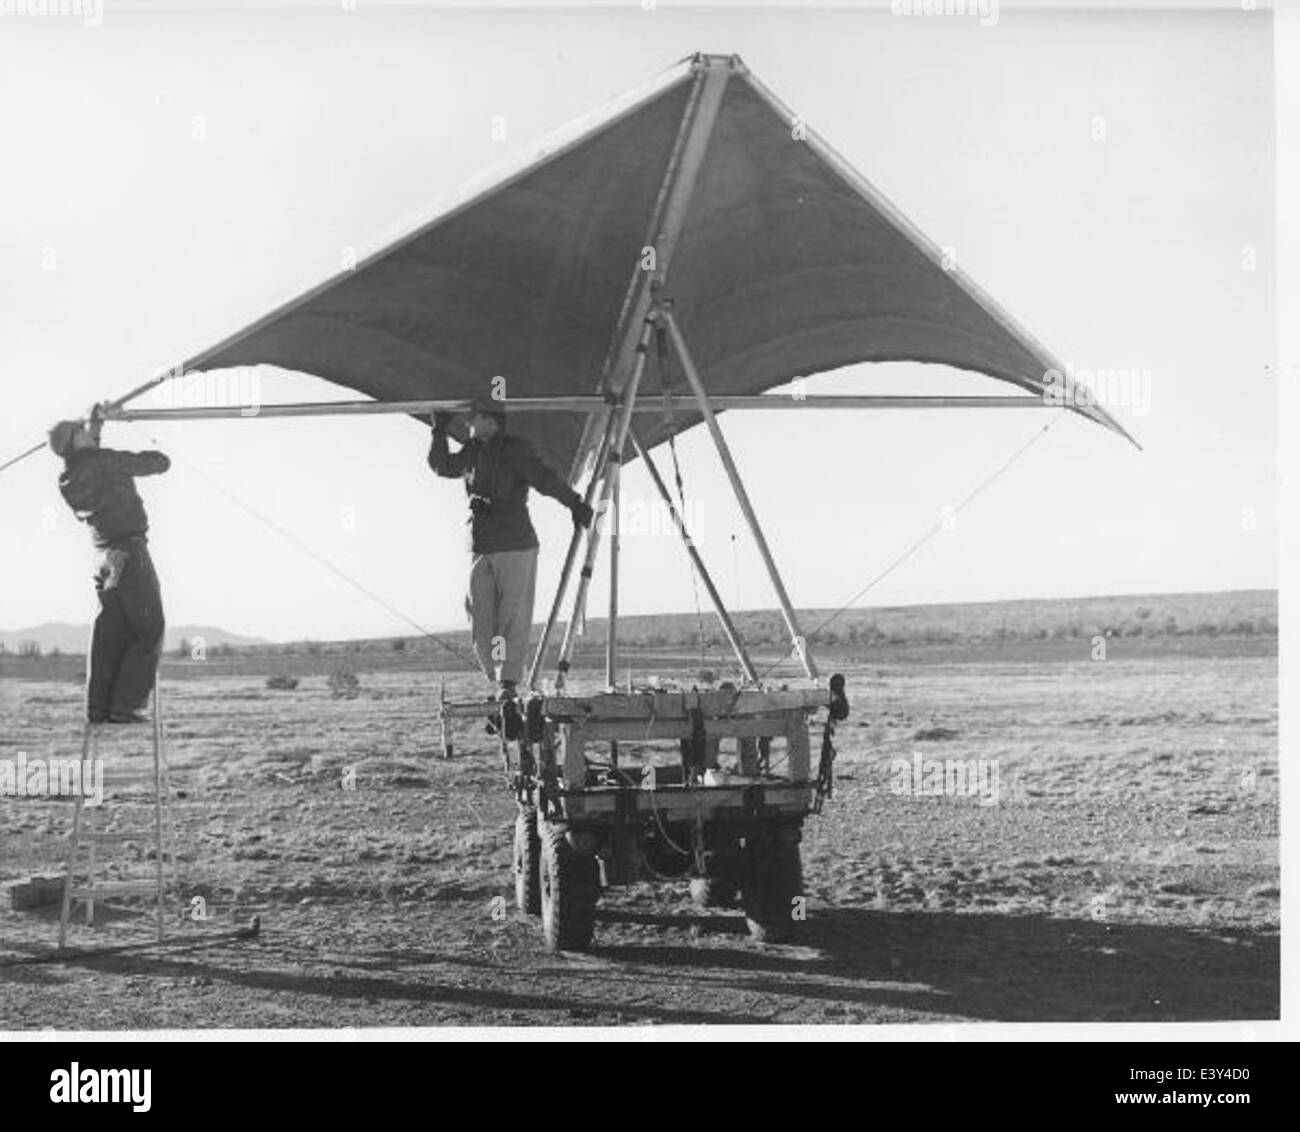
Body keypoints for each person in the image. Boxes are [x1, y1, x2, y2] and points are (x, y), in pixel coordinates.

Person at [429, 397, 593, 703]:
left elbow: (544, 479)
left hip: (515, 544)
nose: (468, 423)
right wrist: (438, 432)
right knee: (481, 618)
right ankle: (498, 677)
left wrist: (574, 502)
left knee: (511, 618)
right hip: (481, 545)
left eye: (474, 417)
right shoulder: (472, 450)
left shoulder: (515, 449)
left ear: (492, 421)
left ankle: (507, 681)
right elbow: (443, 466)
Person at [49, 410, 170, 725]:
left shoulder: (69, 478)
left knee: (110, 633)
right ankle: (127, 705)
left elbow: (93, 462)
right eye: (81, 429)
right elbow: (158, 463)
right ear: (76, 441)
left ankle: (99, 707)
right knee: (150, 629)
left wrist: (96, 428)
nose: (86, 430)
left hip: (104, 559)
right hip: (128, 550)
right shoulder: (104, 462)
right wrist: (160, 453)